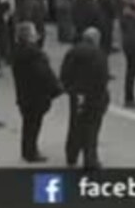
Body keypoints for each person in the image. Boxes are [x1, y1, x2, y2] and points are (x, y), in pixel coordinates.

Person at [11, 22, 62, 163]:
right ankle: (31, 152)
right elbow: (43, 74)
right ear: (29, 36)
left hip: (24, 94)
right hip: (36, 96)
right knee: (33, 126)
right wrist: (56, 88)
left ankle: (27, 150)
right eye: (33, 33)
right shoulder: (34, 55)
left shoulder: (17, 52)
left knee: (27, 125)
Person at [61, 27, 111, 170]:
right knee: (91, 128)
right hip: (93, 96)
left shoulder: (72, 51)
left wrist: (70, 89)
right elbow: (102, 77)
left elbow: (64, 73)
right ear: (96, 39)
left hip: (77, 94)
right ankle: (90, 159)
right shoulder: (99, 54)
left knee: (75, 124)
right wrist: (103, 96)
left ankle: (71, 156)